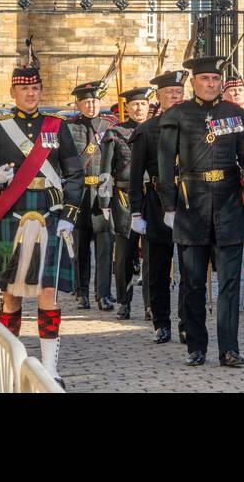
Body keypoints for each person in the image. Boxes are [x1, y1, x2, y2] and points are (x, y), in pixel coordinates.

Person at [0, 42, 84, 384]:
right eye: (24, 89)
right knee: (12, 293)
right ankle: (11, 363)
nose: (30, 94)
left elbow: (74, 173)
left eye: (35, 88)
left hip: (49, 216)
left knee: (49, 291)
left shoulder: (56, 126)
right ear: (13, 91)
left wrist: (70, 214)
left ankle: (50, 368)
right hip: (12, 215)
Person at [158, 55, 244, 368]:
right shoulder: (178, 115)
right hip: (191, 205)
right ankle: (196, 347)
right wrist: (169, 206)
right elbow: (164, 165)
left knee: (229, 284)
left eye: (215, 80)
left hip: (228, 206)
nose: (211, 84)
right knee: (193, 282)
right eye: (205, 79)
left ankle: (229, 348)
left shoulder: (236, 114)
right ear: (194, 82)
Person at [128, 68, 186, 343]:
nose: (175, 97)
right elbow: (135, 173)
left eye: (179, 93)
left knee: (191, 269)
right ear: (159, 99)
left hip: (189, 203)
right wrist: (136, 212)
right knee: (158, 268)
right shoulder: (146, 131)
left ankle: (188, 321)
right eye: (169, 94)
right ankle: (161, 322)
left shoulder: (195, 125)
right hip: (157, 202)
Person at [64, 81, 118, 311]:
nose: (91, 105)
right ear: (78, 103)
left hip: (102, 193)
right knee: (80, 248)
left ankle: (103, 294)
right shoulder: (69, 128)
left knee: (106, 248)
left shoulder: (109, 127)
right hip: (79, 194)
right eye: (86, 101)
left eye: (95, 100)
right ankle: (81, 292)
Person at [104, 86, 152, 320]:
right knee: (124, 255)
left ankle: (150, 304)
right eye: (134, 104)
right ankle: (124, 300)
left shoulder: (156, 129)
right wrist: (105, 201)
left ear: (149, 106)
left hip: (151, 197)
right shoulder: (116, 133)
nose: (139, 108)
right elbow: (107, 171)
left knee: (152, 257)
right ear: (127, 107)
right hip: (124, 198)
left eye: (143, 104)